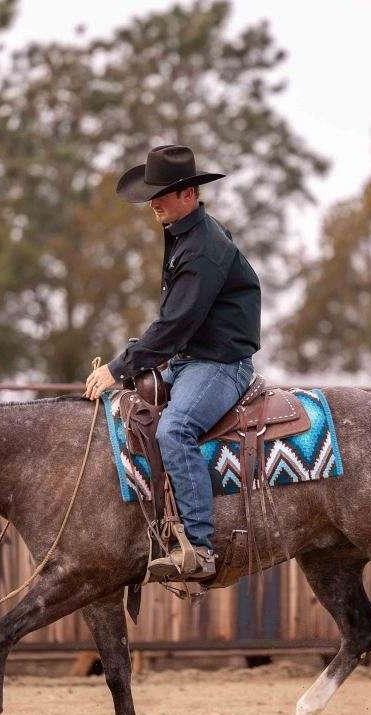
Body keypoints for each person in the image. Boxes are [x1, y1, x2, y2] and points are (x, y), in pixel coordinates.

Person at [83, 144, 261, 582]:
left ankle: (199, 549)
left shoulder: (203, 249)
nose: (153, 203)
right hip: (192, 360)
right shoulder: (185, 234)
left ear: (189, 194)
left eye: (161, 194)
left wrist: (119, 368)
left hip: (219, 364)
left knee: (173, 430)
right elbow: (175, 326)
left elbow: (176, 324)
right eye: (151, 194)